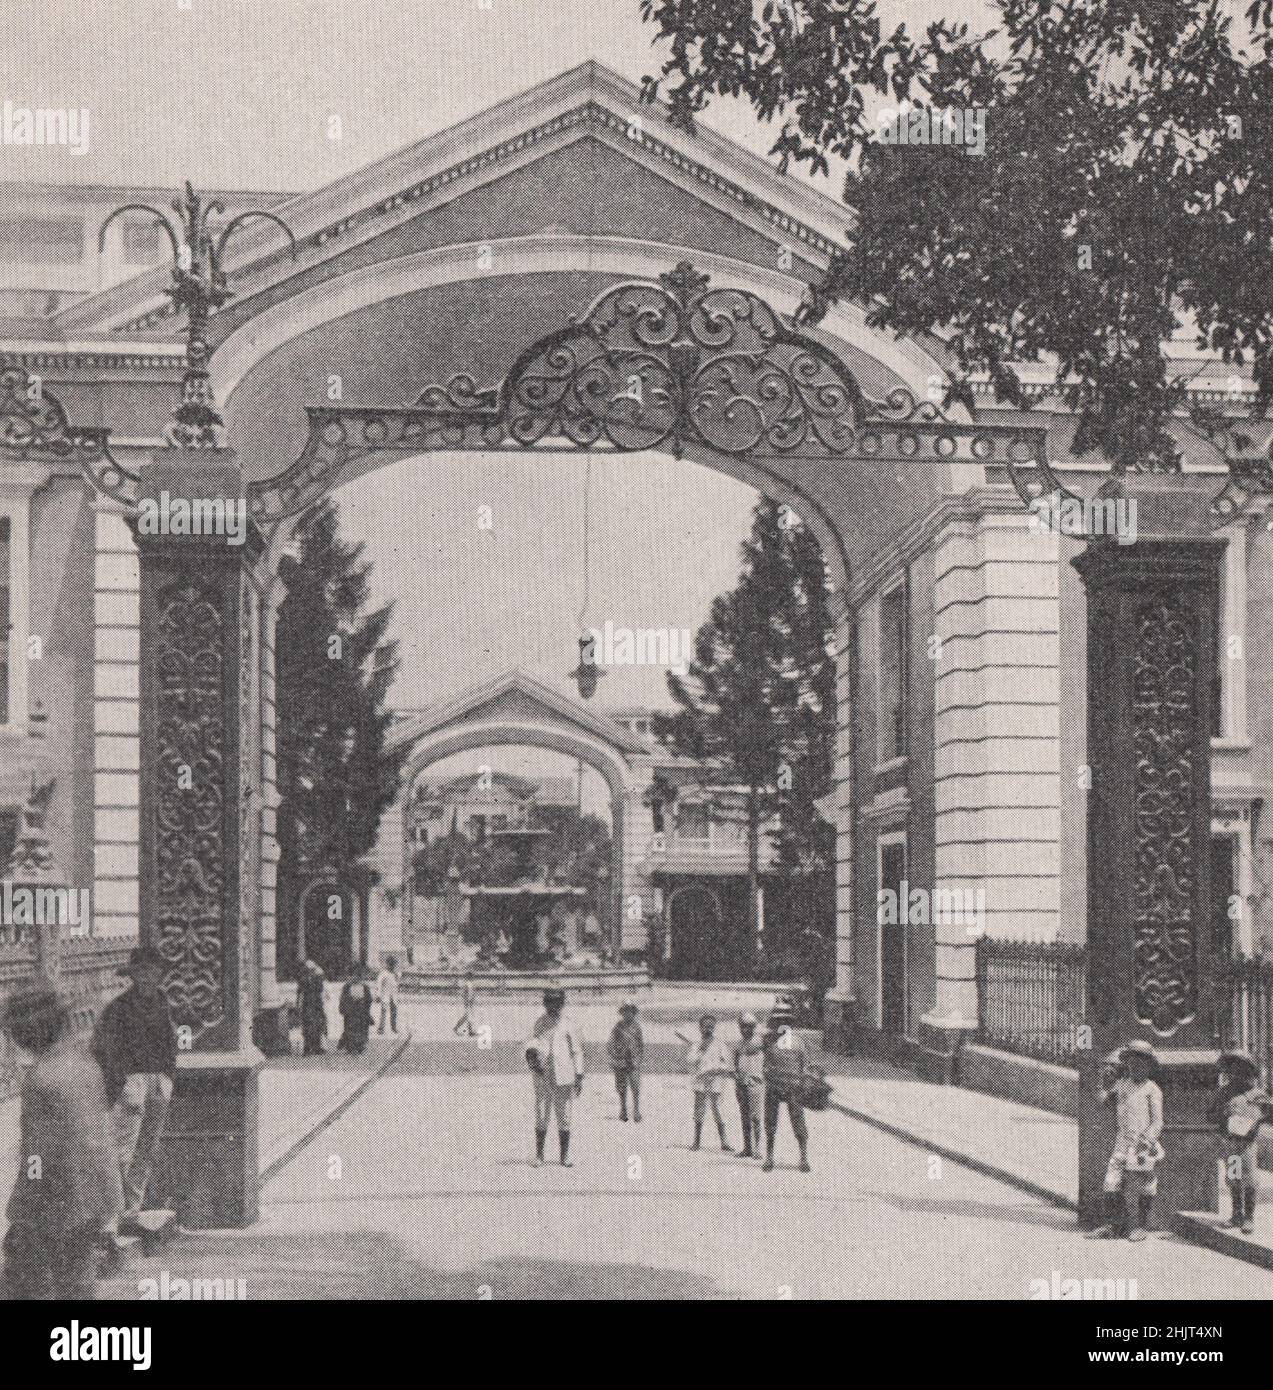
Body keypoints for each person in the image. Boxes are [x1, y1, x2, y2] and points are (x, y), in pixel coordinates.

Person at [3, 985, 123, 1299]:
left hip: (59, 1203)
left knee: (26, 1283)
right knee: (79, 1281)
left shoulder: (41, 1078)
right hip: (97, 1195)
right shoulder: (84, 1064)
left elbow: (36, 1156)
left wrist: (22, 1205)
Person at [91, 944, 177, 1227]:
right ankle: (112, 1213)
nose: (148, 978)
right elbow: (105, 1048)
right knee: (123, 1149)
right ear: (133, 975)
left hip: (157, 1082)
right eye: (141, 972)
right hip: (132, 1082)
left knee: (146, 1149)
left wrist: (167, 1076)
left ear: (160, 975)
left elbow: (171, 1041)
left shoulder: (163, 1003)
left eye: (153, 972)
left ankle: (132, 1209)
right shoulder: (119, 1008)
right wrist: (124, 1081)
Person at [1088, 1040, 1164, 1241]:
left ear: (1149, 1066)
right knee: (1111, 1182)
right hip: (1122, 1143)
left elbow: (1157, 1121)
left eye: (1141, 1062)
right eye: (1132, 1062)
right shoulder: (1121, 1085)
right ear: (1127, 1064)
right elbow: (1102, 1102)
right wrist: (1103, 1086)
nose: (1136, 1066)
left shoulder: (1152, 1089)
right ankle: (1113, 1225)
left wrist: (1147, 1139)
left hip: (1142, 1145)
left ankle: (1141, 1226)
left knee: (1144, 1183)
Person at [1208, 1048, 1273, 1236]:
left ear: (1249, 1072)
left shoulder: (1257, 1094)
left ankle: (1249, 1217)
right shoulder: (1224, 1094)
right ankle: (1236, 1213)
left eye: (1241, 1070)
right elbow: (1211, 1114)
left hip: (1248, 1145)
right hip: (1231, 1143)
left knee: (1250, 1180)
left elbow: (1269, 1113)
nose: (1237, 1074)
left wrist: (1259, 1118)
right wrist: (1223, 1115)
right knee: (1234, 1178)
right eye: (1233, 1070)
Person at [525, 987, 585, 1167]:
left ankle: (564, 1156)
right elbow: (533, 1043)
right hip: (542, 1075)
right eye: (549, 1002)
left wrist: (579, 1074)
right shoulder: (540, 1023)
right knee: (542, 1114)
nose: (552, 1006)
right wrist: (532, 1056)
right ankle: (539, 1155)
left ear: (561, 1004)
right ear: (545, 1004)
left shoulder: (569, 1024)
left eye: (556, 1003)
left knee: (564, 1116)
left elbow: (577, 1051)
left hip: (564, 1075)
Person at [761, 1001, 810, 1172]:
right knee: (770, 1122)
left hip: (792, 1086)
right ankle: (769, 1156)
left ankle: (803, 1157)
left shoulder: (797, 1042)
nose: (781, 1024)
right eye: (778, 1021)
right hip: (775, 1085)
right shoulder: (769, 1041)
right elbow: (764, 1063)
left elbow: (804, 1067)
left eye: (785, 1021)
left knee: (798, 1121)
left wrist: (803, 1084)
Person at [678, 1015, 734, 1152]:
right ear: (700, 1028)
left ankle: (724, 1142)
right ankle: (696, 1141)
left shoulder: (720, 1044)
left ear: (714, 1027)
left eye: (711, 1026)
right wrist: (700, 1051)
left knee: (718, 1111)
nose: (708, 1029)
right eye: (705, 1026)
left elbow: (727, 1063)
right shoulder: (697, 1045)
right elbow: (690, 1060)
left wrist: (717, 1069)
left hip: (715, 1081)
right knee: (699, 1111)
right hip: (701, 1081)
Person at [733, 1011, 765, 1159]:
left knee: (756, 1118)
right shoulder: (738, 1045)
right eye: (743, 1026)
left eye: (750, 1026)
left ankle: (757, 1148)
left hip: (756, 1084)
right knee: (744, 1116)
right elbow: (734, 1065)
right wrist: (737, 1079)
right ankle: (747, 1148)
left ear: (754, 1027)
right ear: (739, 1027)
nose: (746, 1029)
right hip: (741, 1084)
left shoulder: (760, 1042)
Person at [606, 1001, 644, 1122]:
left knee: (635, 1086)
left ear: (634, 1013)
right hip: (621, 1060)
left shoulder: (637, 1027)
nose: (628, 1014)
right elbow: (610, 1043)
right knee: (621, 1087)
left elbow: (640, 1044)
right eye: (625, 1011)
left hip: (633, 1061)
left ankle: (636, 1110)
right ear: (622, 1013)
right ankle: (623, 1109)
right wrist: (614, 1056)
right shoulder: (618, 1026)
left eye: (631, 1011)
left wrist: (639, 1058)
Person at [338, 970, 375, 1055]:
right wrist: (343, 1008)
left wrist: (365, 1007)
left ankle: (360, 1045)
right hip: (350, 1010)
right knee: (350, 1028)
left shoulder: (365, 987)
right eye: (353, 976)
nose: (355, 978)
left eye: (358, 976)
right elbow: (343, 998)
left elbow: (369, 999)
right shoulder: (347, 986)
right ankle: (350, 1046)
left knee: (362, 1029)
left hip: (361, 1010)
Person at [297, 959, 327, 1056]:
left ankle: (311, 1048)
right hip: (313, 1003)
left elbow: (299, 993)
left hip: (312, 1004)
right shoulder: (316, 978)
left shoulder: (304, 978)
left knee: (312, 1026)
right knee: (313, 1026)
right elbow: (300, 993)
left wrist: (298, 1004)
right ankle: (312, 1047)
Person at [376, 956, 401, 1036]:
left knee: (394, 1012)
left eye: (393, 965)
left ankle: (393, 1027)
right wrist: (378, 995)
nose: (392, 967)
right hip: (385, 995)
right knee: (383, 1012)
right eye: (391, 965)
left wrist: (396, 975)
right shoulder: (383, 974)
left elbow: (397, 984)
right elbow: (379, 985)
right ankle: (381, 1028)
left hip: (393, 996)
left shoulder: (395, 974)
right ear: (387, 965)